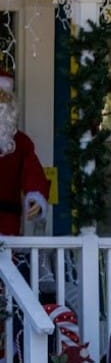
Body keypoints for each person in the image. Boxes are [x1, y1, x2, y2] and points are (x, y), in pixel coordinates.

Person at [0, 69, 51, 237]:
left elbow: (33, 173)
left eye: (3, 98)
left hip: (8, 225)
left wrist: (36, 197)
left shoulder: (21, 143)